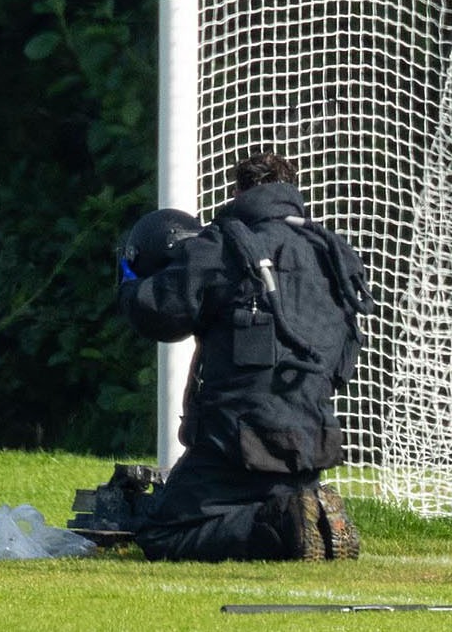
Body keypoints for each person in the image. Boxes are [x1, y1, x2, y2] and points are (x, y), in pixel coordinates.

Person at [116, 150, 366, 560]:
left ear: (240, 190)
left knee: (160, 530)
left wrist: (129, 281)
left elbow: (160, 313)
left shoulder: (225, 245)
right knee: (247, 499)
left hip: (237, 440)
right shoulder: (330, 251)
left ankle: (287, 527)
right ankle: (305, 511)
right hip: (312, 437)